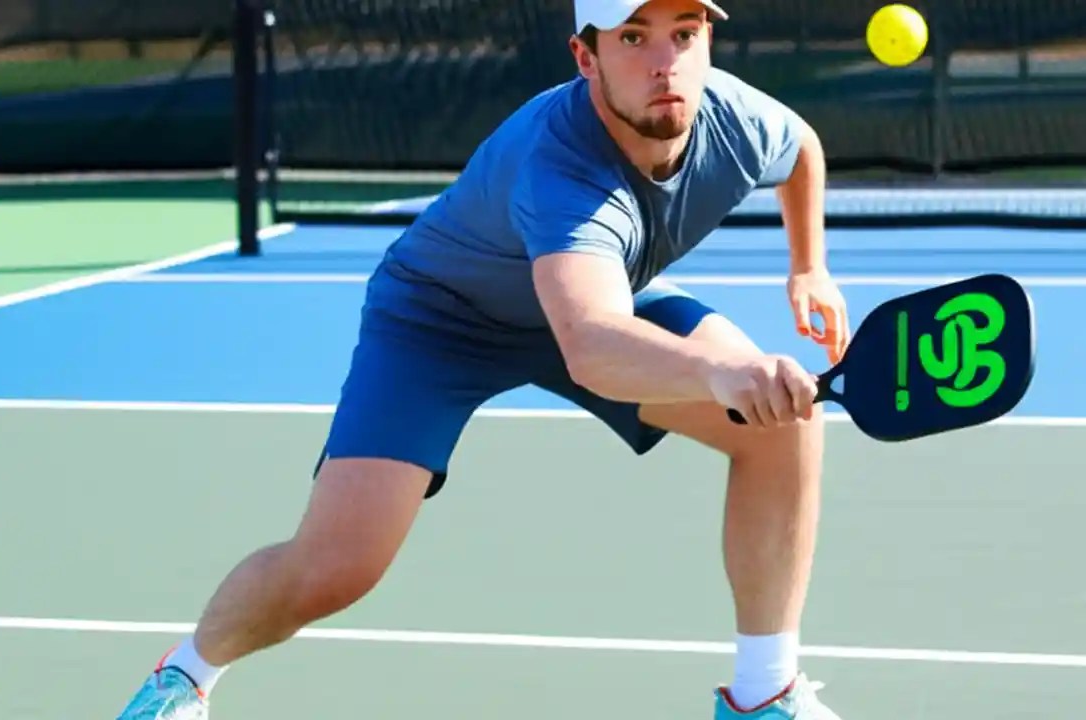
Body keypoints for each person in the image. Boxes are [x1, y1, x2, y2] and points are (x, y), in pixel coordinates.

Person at [116, 0, 852, 717]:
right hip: (440, 322)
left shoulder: (732, 115)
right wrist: (721, 372)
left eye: (684, 34)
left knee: (781, 427)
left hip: (587, 300)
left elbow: (802, 148)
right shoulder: (562, 167)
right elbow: (592, 345)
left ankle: (763, 693)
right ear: (584, 57)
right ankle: (181, 680)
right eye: (633, 38)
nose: (666, 63)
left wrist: (808, 266)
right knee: (335, 570)